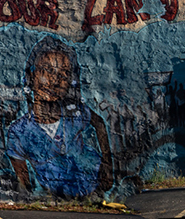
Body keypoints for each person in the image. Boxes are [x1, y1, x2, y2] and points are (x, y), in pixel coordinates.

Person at [6, 36, 113, 198]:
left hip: (92, 191)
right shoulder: (19, 131)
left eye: (64, 75)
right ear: (31, 76)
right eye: (47, 70)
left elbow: (98, 123)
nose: (54, 81)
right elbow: (23, 181)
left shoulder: (76, 115)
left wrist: (107, 164)